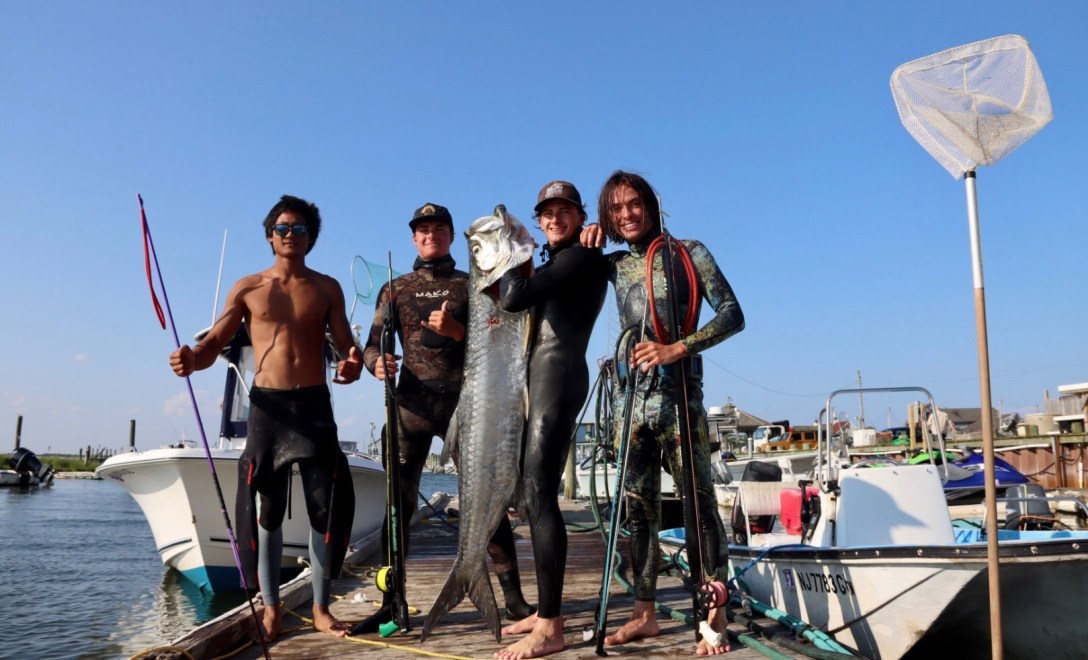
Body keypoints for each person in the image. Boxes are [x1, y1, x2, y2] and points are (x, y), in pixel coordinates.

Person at [169, 194, 363, 640]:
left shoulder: (327, 287)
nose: (290, 235)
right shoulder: (248, 287)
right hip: (268, 407)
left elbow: (344, 347)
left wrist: (351, 367)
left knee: (323, 508)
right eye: (282, 228)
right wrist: (190, 359)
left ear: (311, 237)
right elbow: (214, 343)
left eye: (299, 228)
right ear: (269, 236)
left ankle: (320, 608)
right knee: (268, 511)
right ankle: (271, 609)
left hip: (313, 405)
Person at [583, 171, 744, 656]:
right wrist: (582, 241)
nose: (627, 214)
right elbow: (564, 271)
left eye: (634, 204)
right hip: (632, 405)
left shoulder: (688, 252)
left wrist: (678, 347)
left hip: (678, 400)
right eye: (616, 209)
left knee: (699, 507)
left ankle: (712, 615)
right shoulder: (612, 265)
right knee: (638, 511)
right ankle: (644, 614)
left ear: (651, 205)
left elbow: (733, 313)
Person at [353, 203, 534, 634]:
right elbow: (372, 345)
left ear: (451, 236)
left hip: (466, 406)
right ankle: (390, 602)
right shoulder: (395, 289)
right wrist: (377, 364)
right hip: (409, 409)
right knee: (398, 509)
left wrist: (456, 331)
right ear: (414, 239)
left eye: (438, 228)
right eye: (422, 230)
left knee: (484, 498)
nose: (430, 235)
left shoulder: (475, 285)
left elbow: (497, 337)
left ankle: (513, 599)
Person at [494, 181, 608, 659]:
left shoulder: (578, 259)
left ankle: (551, 626)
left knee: (540, 495)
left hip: (557, 378)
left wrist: (512, 254)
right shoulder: (559, 263)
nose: (555, 218)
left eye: (565, 211)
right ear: (539, 221)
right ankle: (544, 610)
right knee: (530, 491)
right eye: (548, 213)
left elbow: (513, 299)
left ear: (580, 217)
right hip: (541, 379)